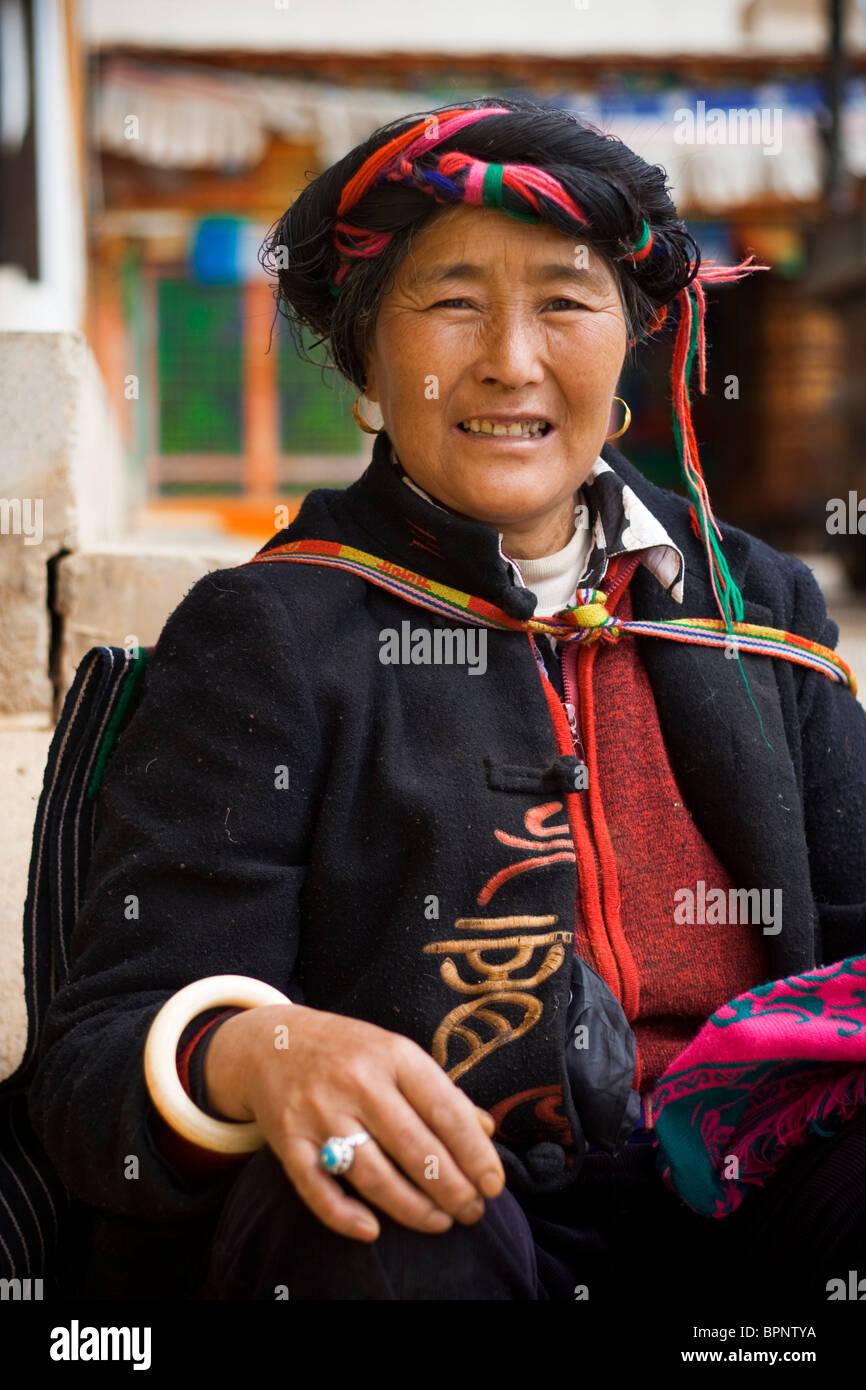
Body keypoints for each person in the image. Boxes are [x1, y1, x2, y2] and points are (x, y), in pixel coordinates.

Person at [28, 96, 866, 1303]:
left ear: (630, 338)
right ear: (366, 361)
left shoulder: (753, 604)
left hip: (746, 1202)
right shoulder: (271, 631)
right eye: (452, 300)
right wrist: (266, 1050)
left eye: (565, 300)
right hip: (450, 1216)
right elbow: (97, 1058)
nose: (509, 361)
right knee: (369, 1218)